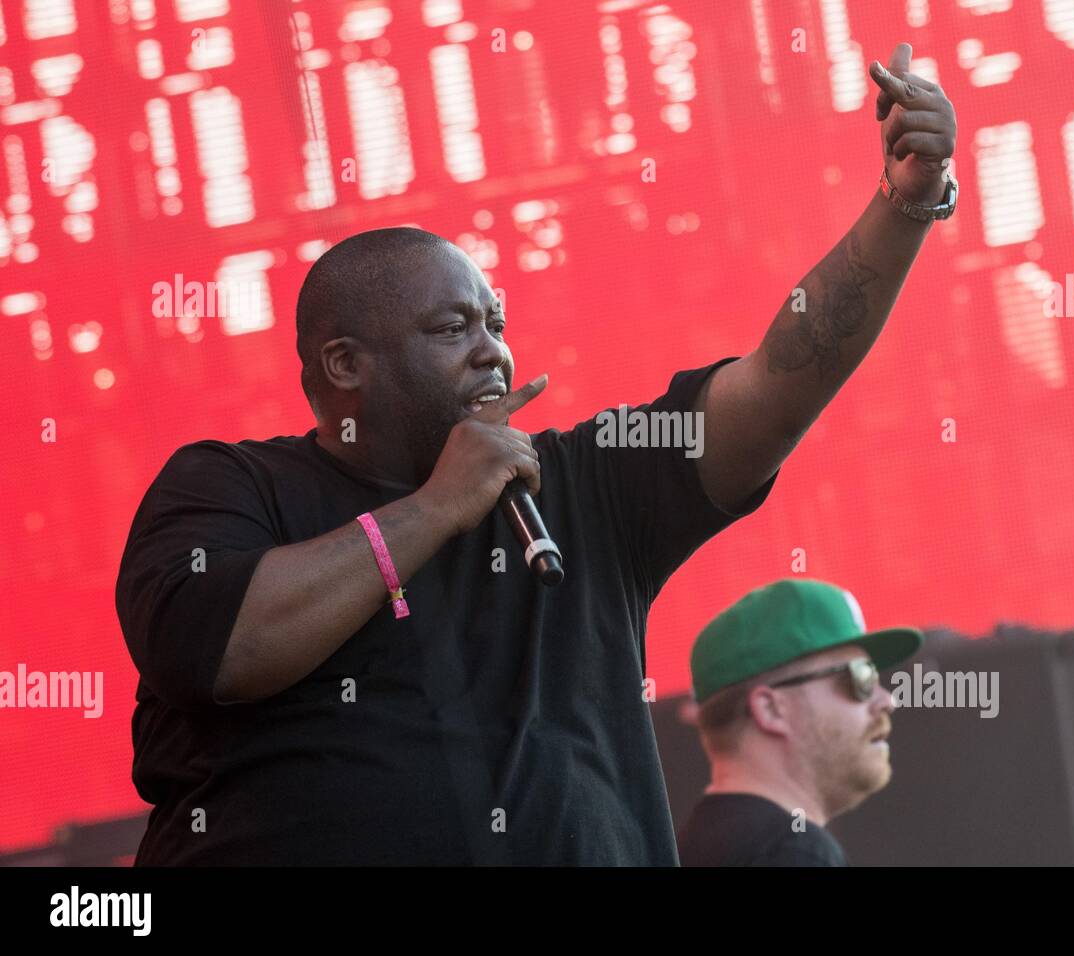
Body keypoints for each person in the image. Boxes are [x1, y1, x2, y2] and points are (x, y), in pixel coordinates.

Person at [115, 43, 957, 864]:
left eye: (497, 326)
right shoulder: (228, 486)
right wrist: (438, 508)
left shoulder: (580, 488)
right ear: (345, 366)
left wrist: (904, 203)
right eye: (452, 329)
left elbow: (779, 382)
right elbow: (226, 651)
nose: (492, 353)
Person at [677, 579, 923, 866]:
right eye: (860, 678)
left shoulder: (687, 846)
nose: (887, 701)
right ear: (771, 709)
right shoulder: (795, 853)